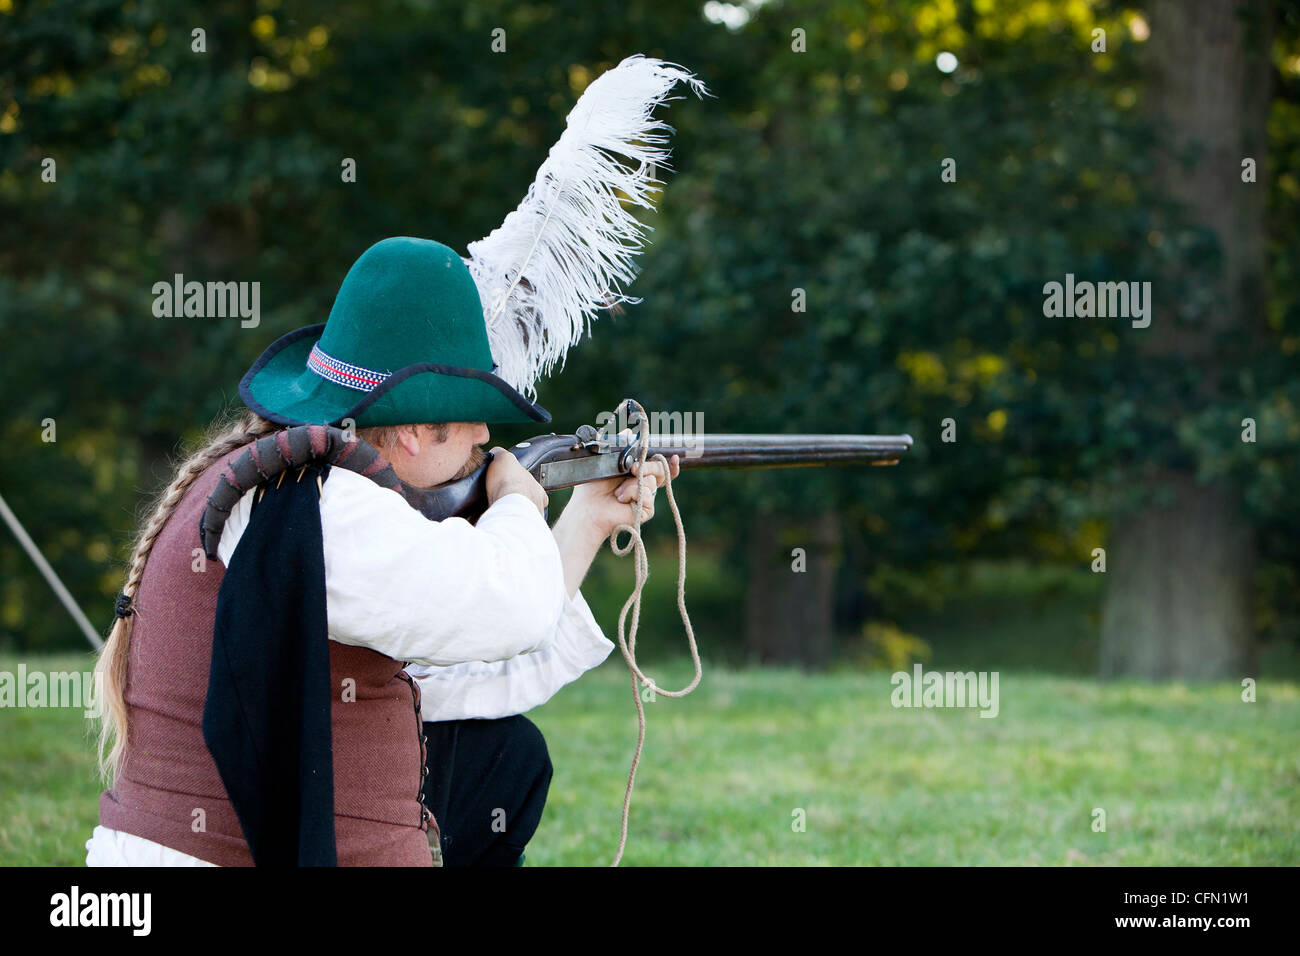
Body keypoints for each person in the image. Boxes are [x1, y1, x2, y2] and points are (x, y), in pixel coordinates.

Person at [86, 236, 678, 866]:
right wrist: (517, 502)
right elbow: (508, 611)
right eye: (469, 413)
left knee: (502, 758)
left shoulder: (295, 488)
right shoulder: (325, 506)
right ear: (412, 433)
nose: (485, 434)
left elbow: (454, 672)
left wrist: (585, 520)